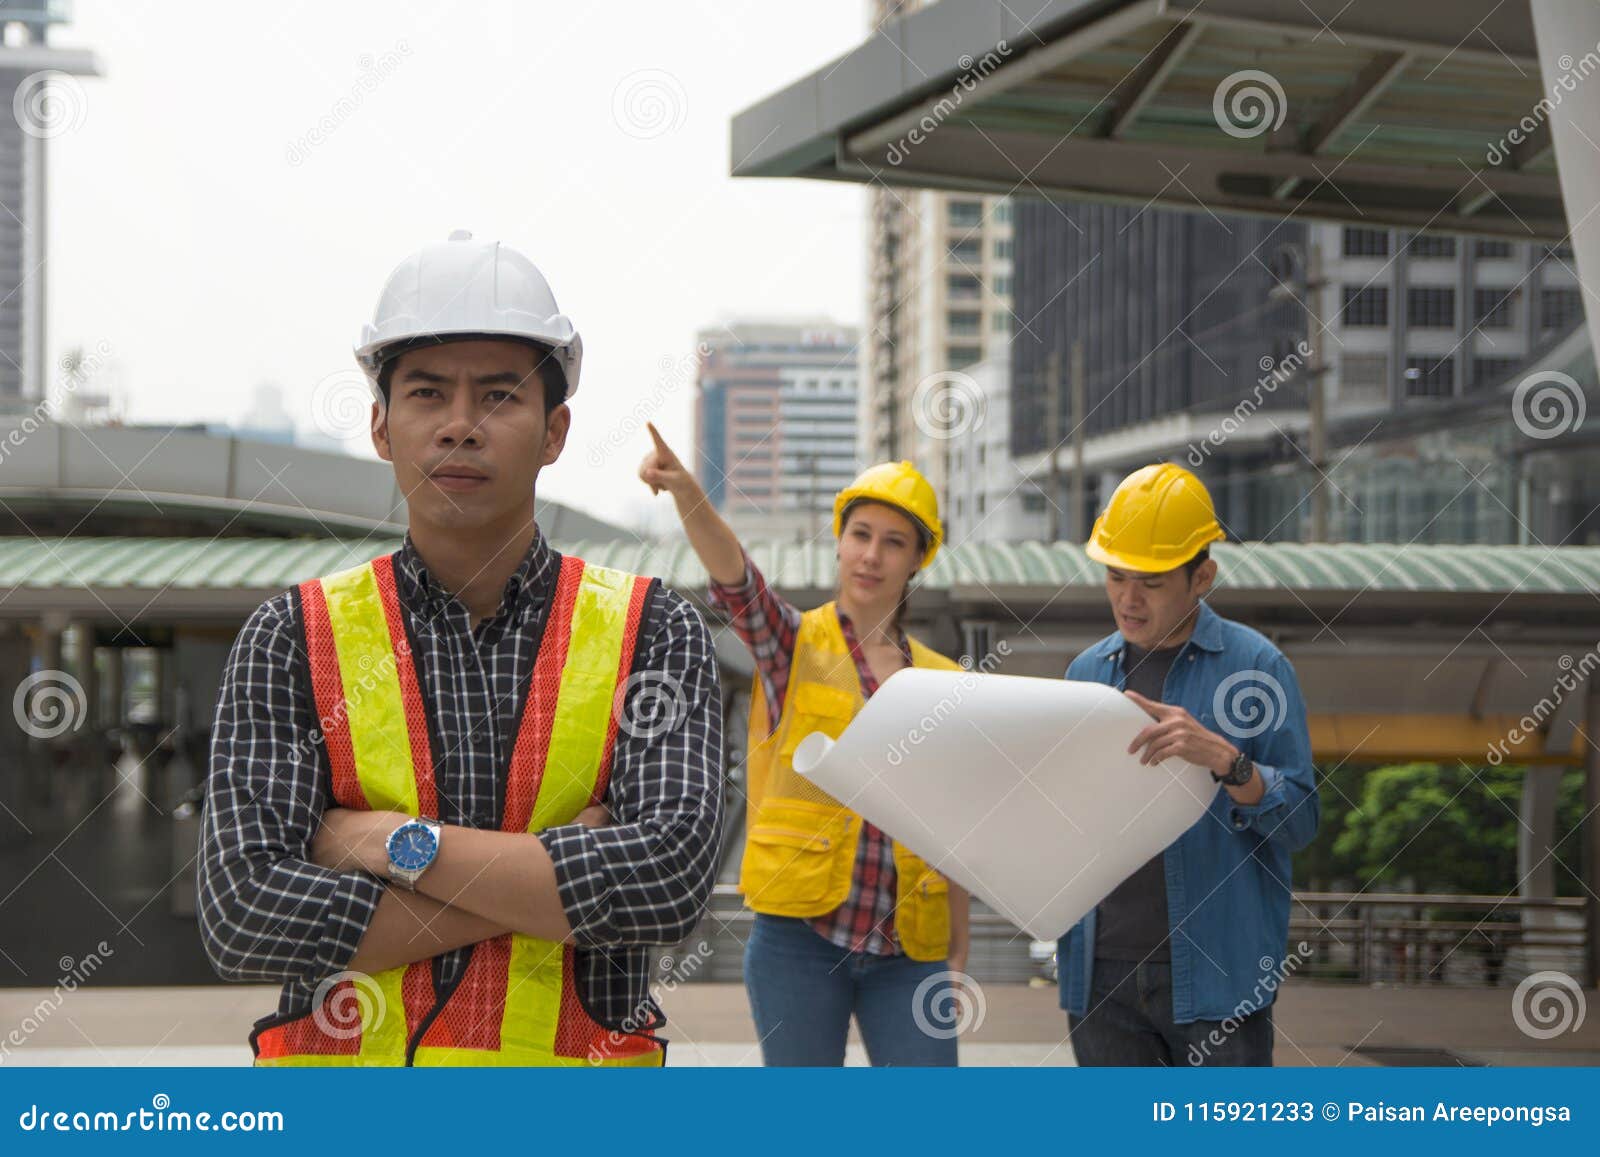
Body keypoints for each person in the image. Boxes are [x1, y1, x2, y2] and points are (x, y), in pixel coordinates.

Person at [198, 231, 723, 1067]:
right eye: (428, 393)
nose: (460, 426)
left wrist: (388, 842)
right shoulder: (293, 637)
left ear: (554, 431)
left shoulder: (652, 631)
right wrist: (552, 878)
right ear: (381, 426)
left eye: (499, 396)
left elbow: (666, 886)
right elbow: (244, 917)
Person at [640, 430, 971, 1066]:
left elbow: (948, 824)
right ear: (839, 543)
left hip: (910, 949)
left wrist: (956, 954)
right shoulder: (794, 645)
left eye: (893, 542)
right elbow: (736, 580)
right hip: (799, 942)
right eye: (860, 534)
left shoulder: (943, 681)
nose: (871, 555)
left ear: (917, 560)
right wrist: (687, 493)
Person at [1060, 462, 1318, 1066]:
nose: (1128, 599)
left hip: (1218, 977)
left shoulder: (1258, 669)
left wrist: (1229, 763)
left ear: (1202, 577)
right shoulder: (1086, 673)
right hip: (1101, 978)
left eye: (1150, 583)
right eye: (1115, 576)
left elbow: (1301, 823)